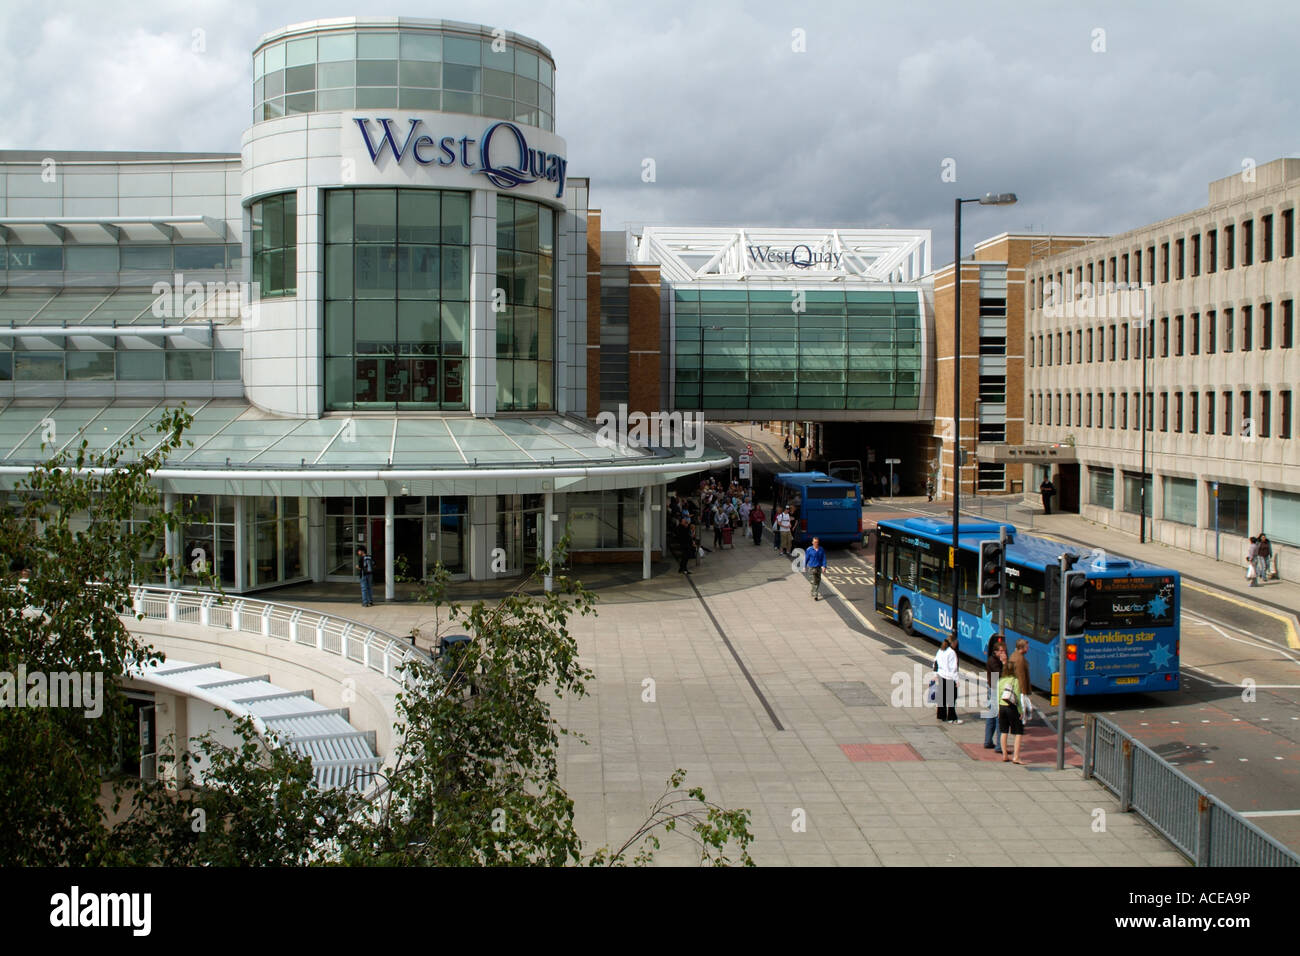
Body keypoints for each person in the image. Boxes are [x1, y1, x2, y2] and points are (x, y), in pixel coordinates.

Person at [997, 660, 1025, 764]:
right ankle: (1016, 757)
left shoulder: (1000, 681)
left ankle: (1004, 754)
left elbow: (998, 696)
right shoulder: (1015, 681)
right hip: (1012, 707)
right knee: (1018, 732)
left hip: (1002, 707)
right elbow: (1017, 697)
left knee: (1003, 731)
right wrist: (1021, 711)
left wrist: (998, 710)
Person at [984, 637, 1007, 751]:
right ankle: (999, 745)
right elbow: (1001, 676)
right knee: (999, 717)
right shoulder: (993, 661)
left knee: (991, 716)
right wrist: (1004, 663)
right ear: (996, 651)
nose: (1003, 653)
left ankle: (988, 741)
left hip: (993, 689)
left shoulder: (993, 660)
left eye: (1004, 651)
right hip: (994, 690)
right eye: (1001, 651)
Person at [935, 638, 961, 723]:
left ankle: (941, 715)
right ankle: (952, 718)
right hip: (949, 678)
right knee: (951, 699)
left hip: (941, 676)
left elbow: (935, 663)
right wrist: (957, 680)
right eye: (956, 642)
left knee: (942, 698)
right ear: (953, 643)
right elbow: (953, 669)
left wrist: (935, 674)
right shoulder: (952, 653)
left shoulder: (940, 650)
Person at [1009, 638, 1031, 707]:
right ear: (1021, 648)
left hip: (1015, 688)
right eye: (1026, 647)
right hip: (1019, 690)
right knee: (1024, 712)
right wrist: (1024, 692)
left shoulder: (1014, 655)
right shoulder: (1020, 659)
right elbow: (1021, 677)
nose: (1028, 649)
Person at [805, 536, 827, 601]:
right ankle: (816, 595)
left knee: (818, 581)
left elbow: (824, 558)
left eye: (817, 542)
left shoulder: (821, 549)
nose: (816, 543)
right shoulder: (809, 549)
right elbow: (806, 558)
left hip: (818, 568)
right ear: (812, 542)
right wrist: (804, 566)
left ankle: (813, 591)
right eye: (814, 542)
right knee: (814, 581)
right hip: (811, 568)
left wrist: (824, 566)